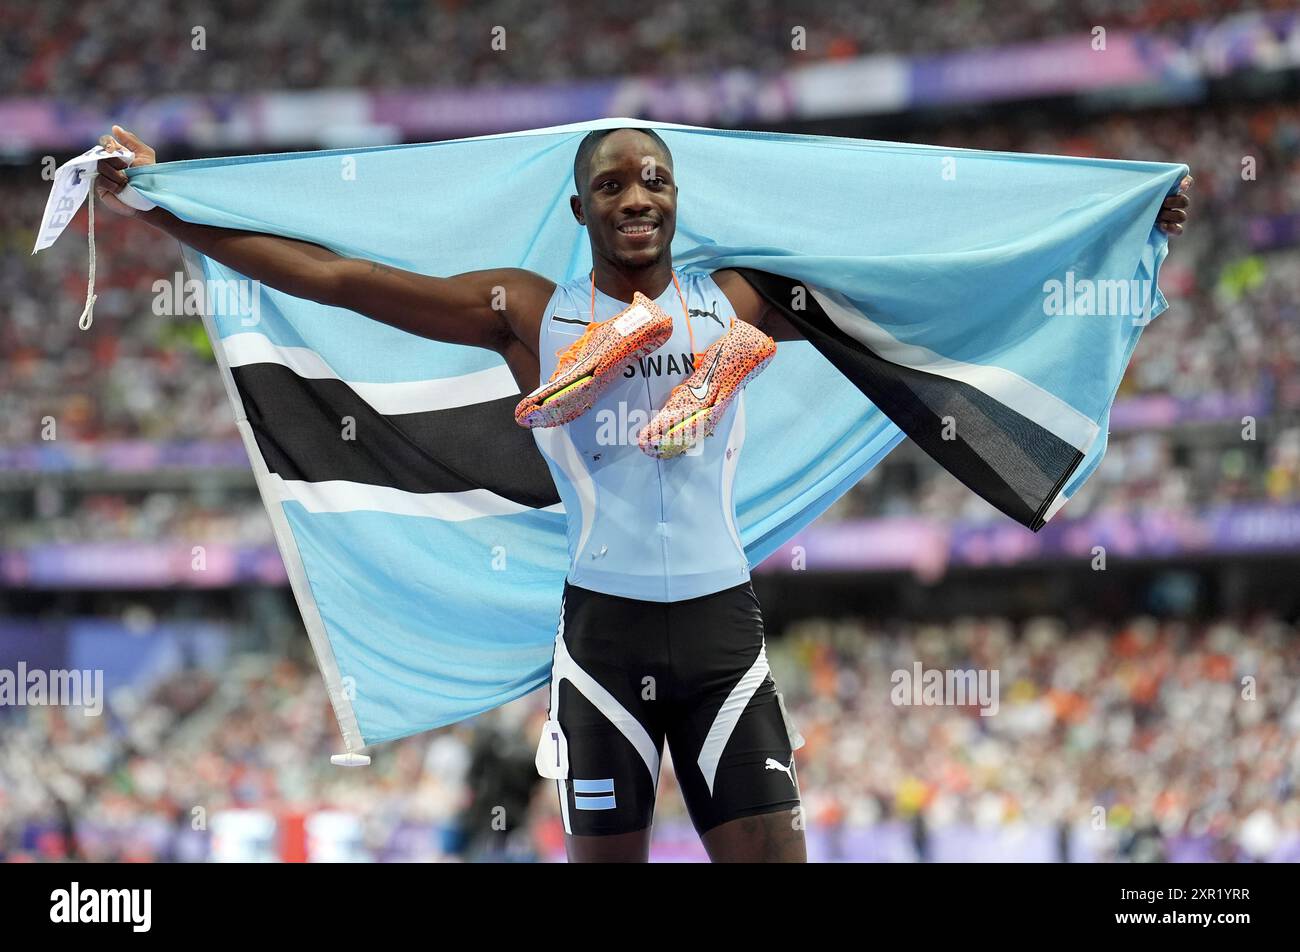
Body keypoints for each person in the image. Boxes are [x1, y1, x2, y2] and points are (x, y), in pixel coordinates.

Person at [94, 124, 1192, 862]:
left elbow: (930, 256)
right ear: (577, 206)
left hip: (722, 640)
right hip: (603, 649)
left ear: (676, 202)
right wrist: (160, 203)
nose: (637, 197)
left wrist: (1123, 219)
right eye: (614, 184)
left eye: (655, 182)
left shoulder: (736, 301)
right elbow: (339, 279)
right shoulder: (527, 311)